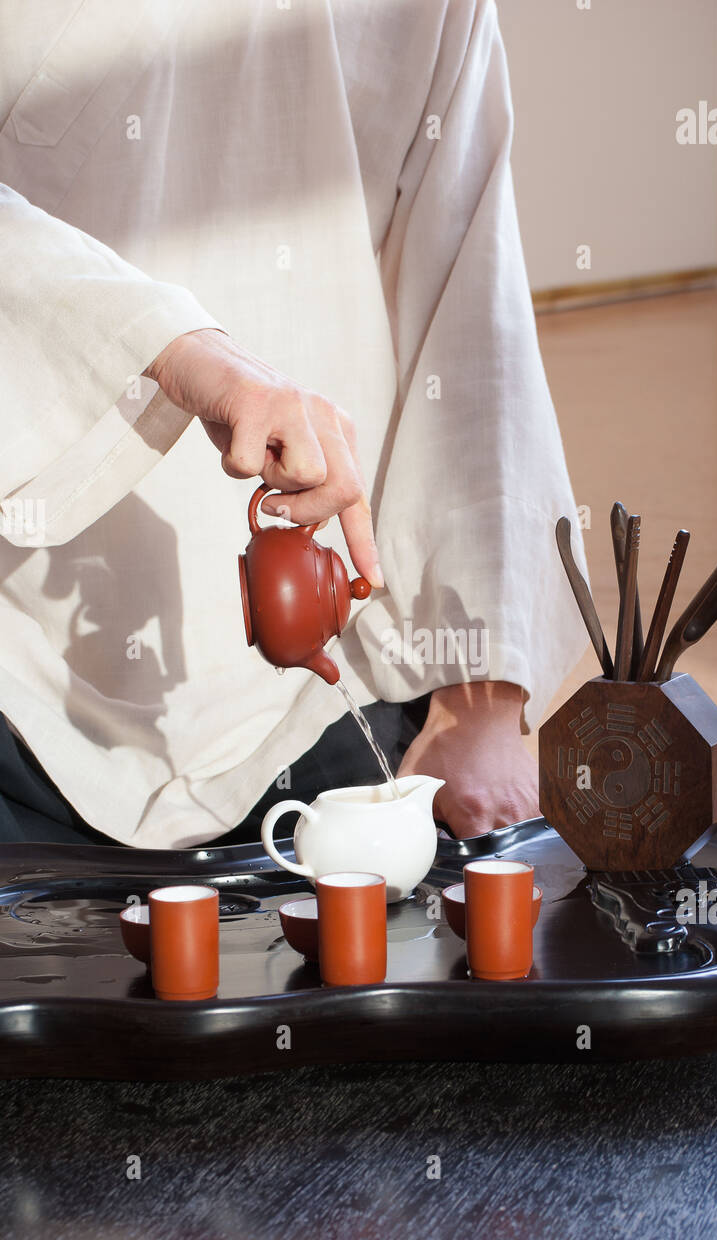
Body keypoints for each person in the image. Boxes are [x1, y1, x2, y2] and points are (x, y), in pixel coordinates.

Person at [0, 0, 587, 849]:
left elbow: (468, 299)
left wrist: (481, 702)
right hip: (23, 654)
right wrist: (174, 346)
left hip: (326, 684)